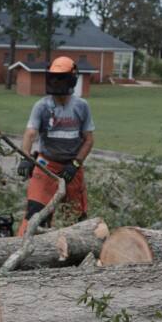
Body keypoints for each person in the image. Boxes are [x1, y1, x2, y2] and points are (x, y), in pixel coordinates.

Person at [17, 56, 95, 231]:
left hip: (71, 167)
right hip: (46, 165)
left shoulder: (81, 106)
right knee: (35, 214)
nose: (56, 83)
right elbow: (30, 133)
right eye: (54, 78)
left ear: (71, 79)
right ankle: (24, 243)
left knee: (76, 218)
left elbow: (89, 140)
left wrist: (75, 164)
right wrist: (26, 157)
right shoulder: (42, 106)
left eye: (61, 78)